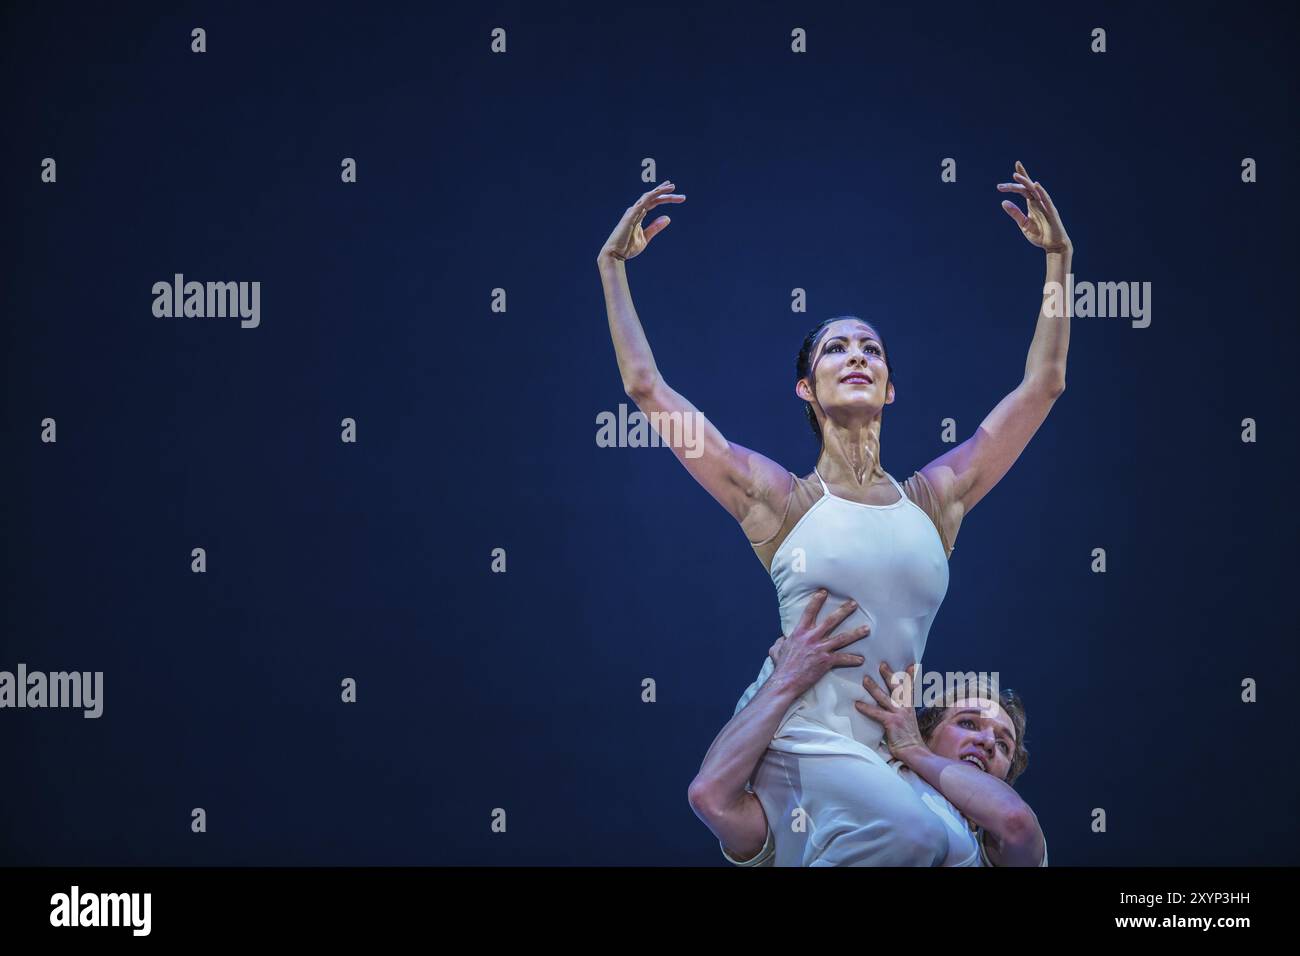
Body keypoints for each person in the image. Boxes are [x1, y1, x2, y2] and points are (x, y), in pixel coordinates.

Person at [597, 161, 1070, 864]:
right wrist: (612, 267)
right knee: (916, 838)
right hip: (796, 735)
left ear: (889, 389)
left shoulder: (936, 501)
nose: (857, 356)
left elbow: (1044, 386)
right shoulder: (778, 501)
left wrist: (1059, 260)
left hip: (884, 749)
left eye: (871, 349)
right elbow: (646, 389)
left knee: (947, 848)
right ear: (805, 388)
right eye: (836, 348)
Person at [687, 591, 1046, 866]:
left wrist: (914, 750)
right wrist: (786, 681)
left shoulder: (988, 850)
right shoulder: (839, 783)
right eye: (968, 723)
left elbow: (1015, 821)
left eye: (1003, 745)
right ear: (926, 729)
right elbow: (711, 797)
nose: (986, 743)